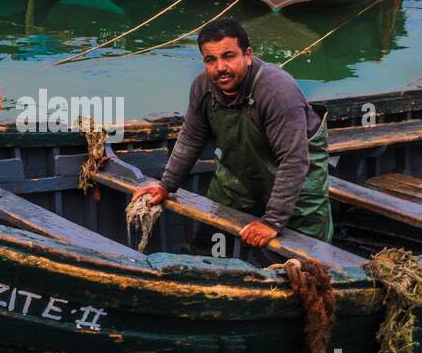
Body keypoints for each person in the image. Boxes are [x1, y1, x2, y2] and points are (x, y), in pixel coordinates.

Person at [131, 18, 333, 259]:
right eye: (210, 60)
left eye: (229, 56)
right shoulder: (203, 87)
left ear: (247, 55)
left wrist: (272, 221)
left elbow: (294, 160)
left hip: (297, 185)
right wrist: (166, 185)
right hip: (239, 179)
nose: (220, 68)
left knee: (301, 262)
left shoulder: (276, 90)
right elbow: (191, 137)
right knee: (209, 249)